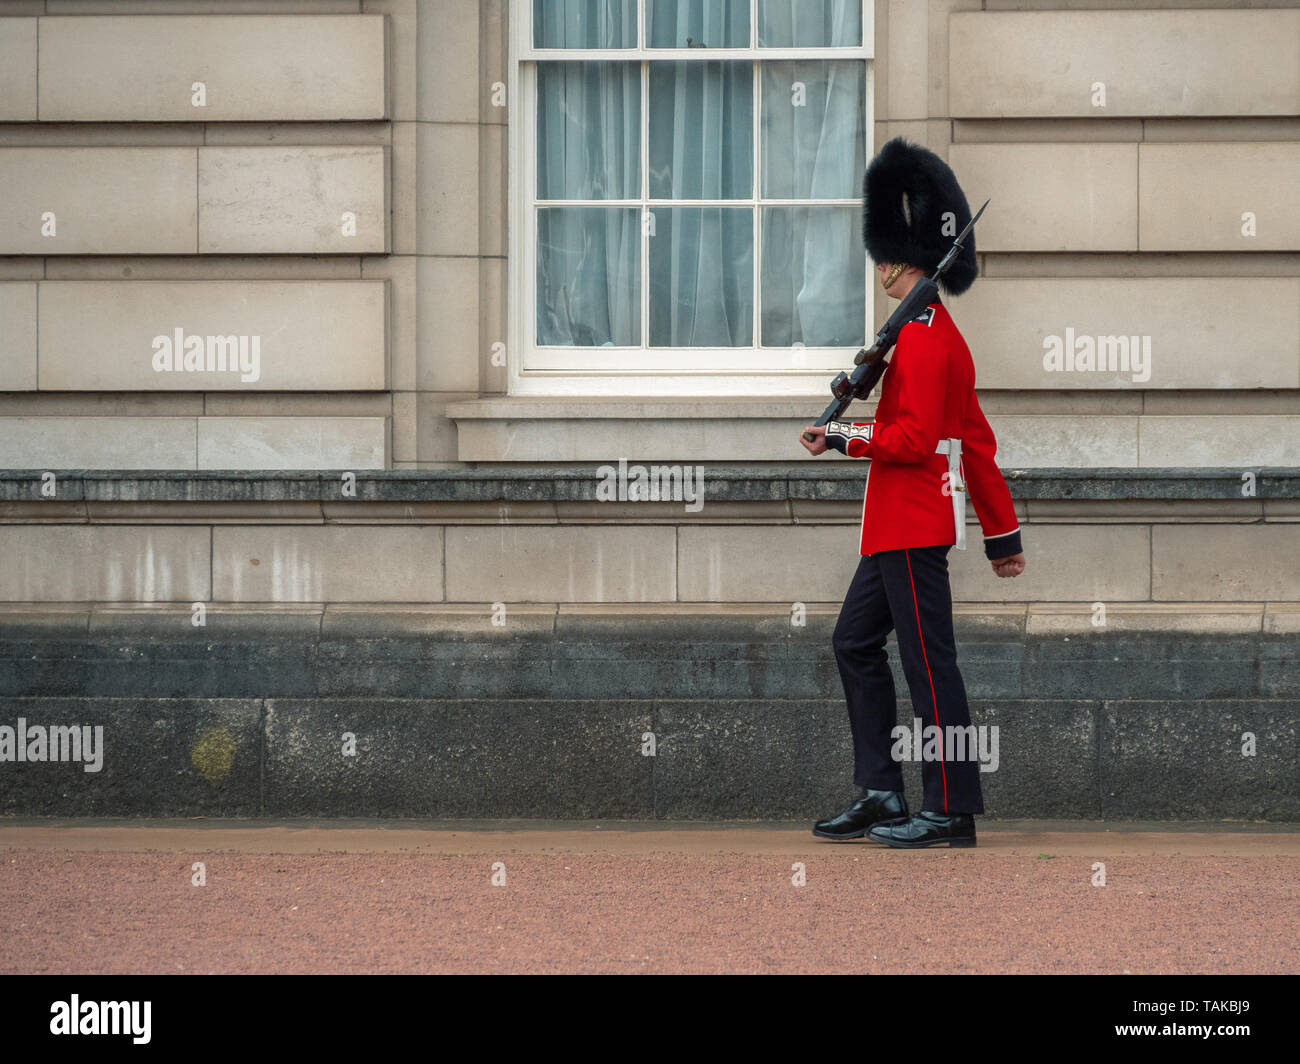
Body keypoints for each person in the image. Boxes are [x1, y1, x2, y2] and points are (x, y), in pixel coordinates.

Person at [799, 138, 1025, 849]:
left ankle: (951, 809)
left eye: (884, 258)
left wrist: (840, 438)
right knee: (854, 644)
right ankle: (881, 791)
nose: (879, 270)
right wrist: (1003, 535)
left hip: (913, 525)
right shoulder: (923, 334)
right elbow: (976, 441)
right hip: (896, 528)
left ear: (902, 258)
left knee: (931, 669)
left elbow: (913, 443)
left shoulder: (926, 340)